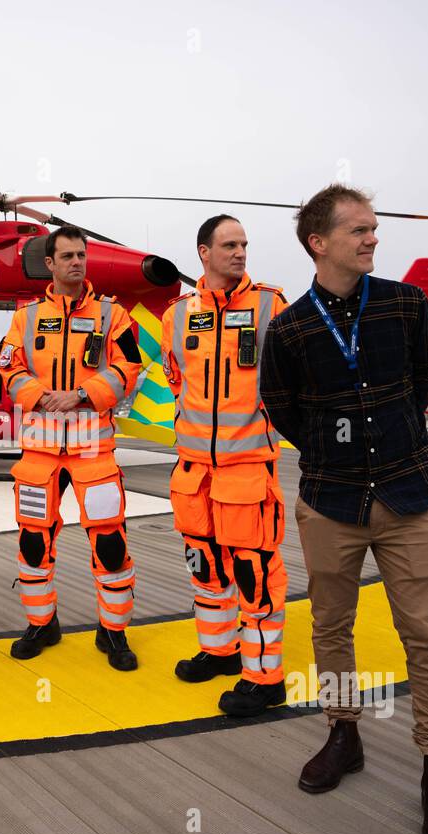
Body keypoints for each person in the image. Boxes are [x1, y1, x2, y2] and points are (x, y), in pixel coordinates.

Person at [259, 183, 428, 834]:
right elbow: (285, 409)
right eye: (359, 230)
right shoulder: (289, 329)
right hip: (331, 502)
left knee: (427, 635)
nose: (373, 238)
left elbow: (421, 383)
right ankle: (343, 734)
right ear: (319, 243)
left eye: (374, 229)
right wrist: (334, 451)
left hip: (409, 496)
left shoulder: (407, 307)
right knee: (331, 626)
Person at [160, 215, 291, 717]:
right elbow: (178, 382)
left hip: (247, 468)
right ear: (203, 253)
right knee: (205, 567)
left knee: (254, 574)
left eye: (244, 244)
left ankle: (264, 679)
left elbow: (288, 379)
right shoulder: (177, 314)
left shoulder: (269, 305)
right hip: (194, 470)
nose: (240, 253)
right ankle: (220, 650)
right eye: (229, 245)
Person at [0, 226, 144, 670]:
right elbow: (8, 366)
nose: (76, 262)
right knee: (33, 544)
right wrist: (40, 396)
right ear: (50, 264)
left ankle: (113, 632)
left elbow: (131, 364)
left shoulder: (111, 316)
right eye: (67, 256)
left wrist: (81, 394)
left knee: (110, 545)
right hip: (40, 455)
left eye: (81, 255)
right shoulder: (25, 317)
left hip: (92, 454)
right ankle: (42, 623)